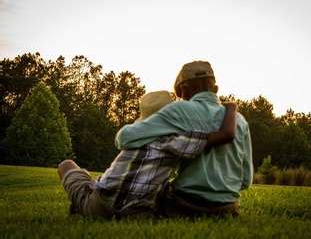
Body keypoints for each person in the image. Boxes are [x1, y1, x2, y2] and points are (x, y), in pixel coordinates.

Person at [58, 90, 237, 219]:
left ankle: (80, 204)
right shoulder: (176, 140)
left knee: (66, 165)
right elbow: (226, 134)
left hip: (101, 204)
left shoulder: (135, 137)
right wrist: (231, 108)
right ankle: (85, 198)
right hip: (138, 213)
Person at [116, 61, 253, 217]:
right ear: (215, 89)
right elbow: (245, 180)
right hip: (228, 210)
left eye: (181, 96)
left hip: (184, 206)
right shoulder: (240, 121)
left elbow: (124, 138)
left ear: (184, 90)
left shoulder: (179, 109)